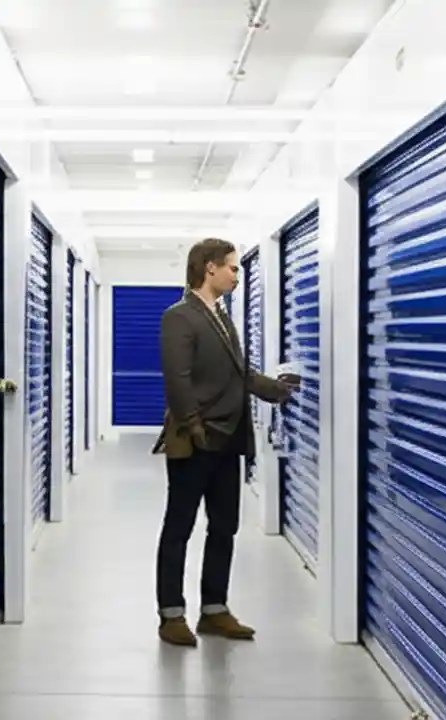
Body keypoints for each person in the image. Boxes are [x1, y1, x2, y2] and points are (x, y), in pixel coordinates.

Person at [151, 237, 299, 647]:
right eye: (233, 267)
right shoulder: (179, 317)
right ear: (209, 268)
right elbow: (177, 379)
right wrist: (195, 427)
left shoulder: (221, 317)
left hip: (229, 440)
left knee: (224, 527)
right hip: (196, 441)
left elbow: (239, 372)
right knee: (179, 527)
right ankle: (171, 615)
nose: (238, 274)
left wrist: (277, 390)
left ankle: (214, 610)